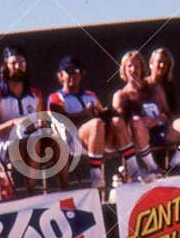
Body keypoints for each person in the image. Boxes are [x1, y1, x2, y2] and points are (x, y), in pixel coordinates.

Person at [47, 55, 124, 190]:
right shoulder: (55, 97)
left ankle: (133, 170)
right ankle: (95, 174)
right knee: (95, 124)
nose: (73, 75)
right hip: (72, 142)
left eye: (77, 71)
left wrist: (103, 113)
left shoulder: (90, 95)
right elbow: (61, 120)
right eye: (69, 71)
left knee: (118, 122)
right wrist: (85, 114)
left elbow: (100, 114)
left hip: (97, 140)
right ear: (61, 75)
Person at [0, 46, 48, 192]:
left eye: (22, 62)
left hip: (33, 141)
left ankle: (67, 192)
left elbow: (42, 123)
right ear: (5, 66)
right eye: (13, 63)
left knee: (58, 144)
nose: (18, 67)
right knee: (33, 144)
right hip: (3, 146)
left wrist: (40, 125)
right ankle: (30, 193)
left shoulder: (35, 94)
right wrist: (13, 123)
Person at [112, 50, 169, 181]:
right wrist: (142, 123)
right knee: (137, 122)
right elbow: (120, 126)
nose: (133, 70)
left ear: (142, 68)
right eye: (129, 66)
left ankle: (174, 166)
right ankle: (150, 167)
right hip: (136, 138)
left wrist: (156, 119)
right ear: (124, 69)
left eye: (137, 66)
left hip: (160, 133)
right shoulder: (121, 95)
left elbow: (167, 114)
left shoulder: (154, 88)